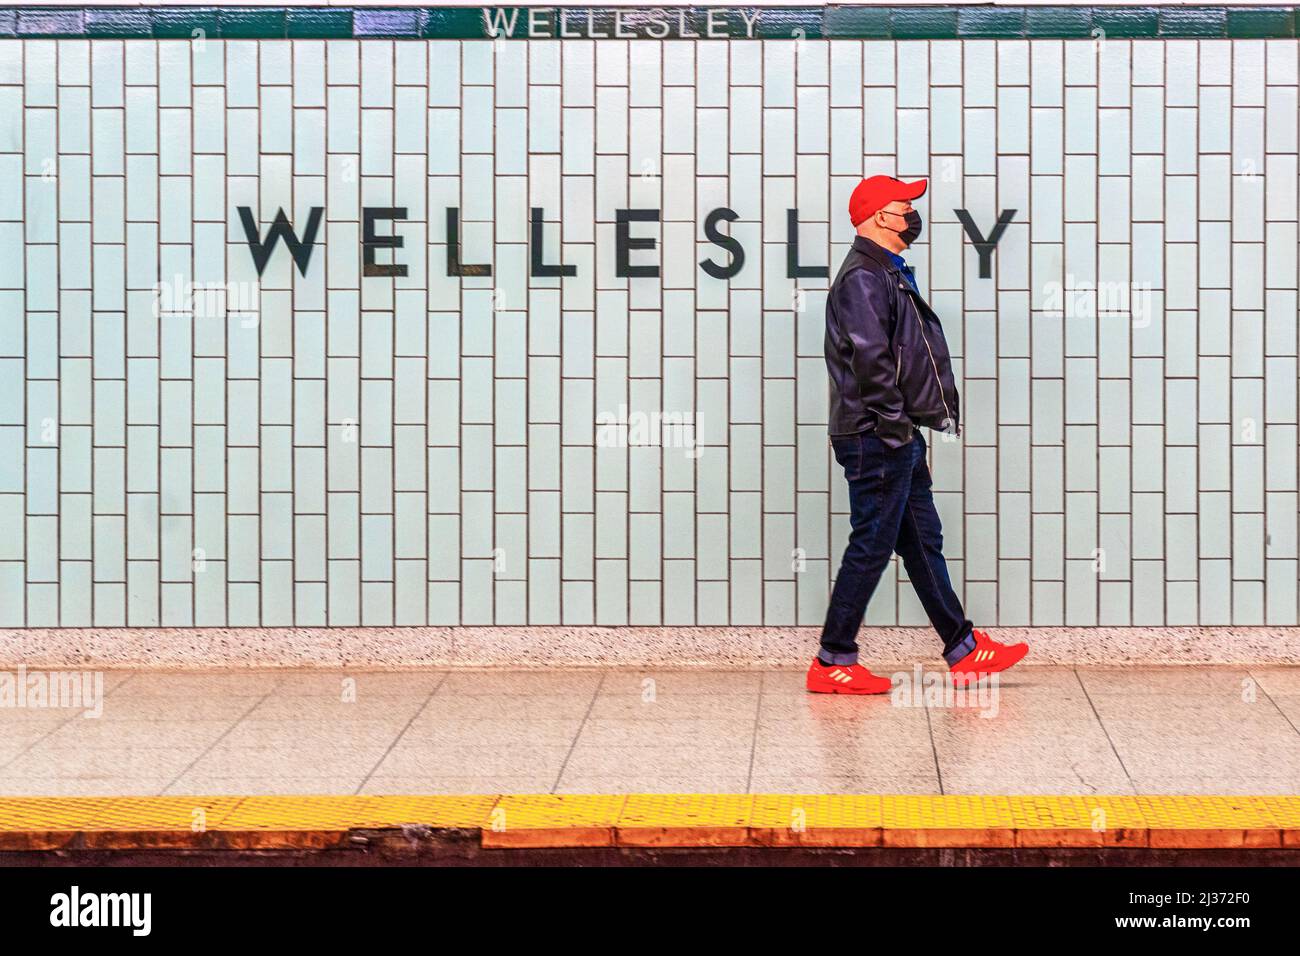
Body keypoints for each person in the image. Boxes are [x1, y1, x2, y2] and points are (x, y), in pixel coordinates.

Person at [807, 175, 1028, 695]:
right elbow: (872, 361)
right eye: (905, 205)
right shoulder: (864, 276)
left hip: (891, 432)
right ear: (880, 216)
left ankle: (965, 649)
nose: (912, 214)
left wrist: (906, 431)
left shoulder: (885, 272)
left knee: (921, 540)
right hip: (876, 435)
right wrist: (893, 430)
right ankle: (832, 658)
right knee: (872, 543)